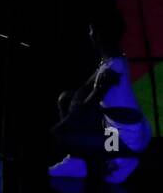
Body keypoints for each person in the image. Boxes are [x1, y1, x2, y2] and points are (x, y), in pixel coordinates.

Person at [49, 11, 152, 183]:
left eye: (91, 30)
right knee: (67, 98)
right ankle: (106, 159)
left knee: (63, 136)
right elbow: (83, 91)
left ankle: (120, 158)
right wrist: (74, 102)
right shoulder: (112, 61)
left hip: (127, 140)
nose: (89, 34)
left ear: (99, 35)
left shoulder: (111, 70)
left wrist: (56, 130)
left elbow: (85, 109)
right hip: (118, 131)